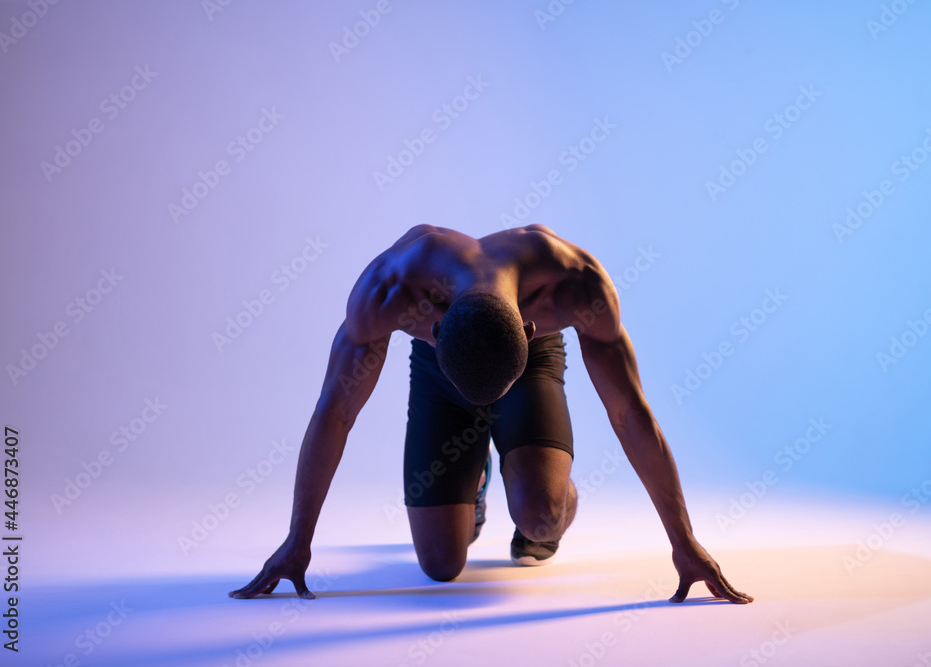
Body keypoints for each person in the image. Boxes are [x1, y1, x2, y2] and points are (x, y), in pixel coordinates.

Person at [229, 224, 753, 604]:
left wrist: (683, 542)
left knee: (540, 515)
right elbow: (335, 413)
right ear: (432, 329)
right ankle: (475, 487)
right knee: (439, 566)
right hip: (444, 375)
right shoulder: (389, 290)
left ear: (529, 327)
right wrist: (299, 541)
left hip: (528, 370)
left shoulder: (576, 285)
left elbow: (629, 413)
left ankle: (549, 493)